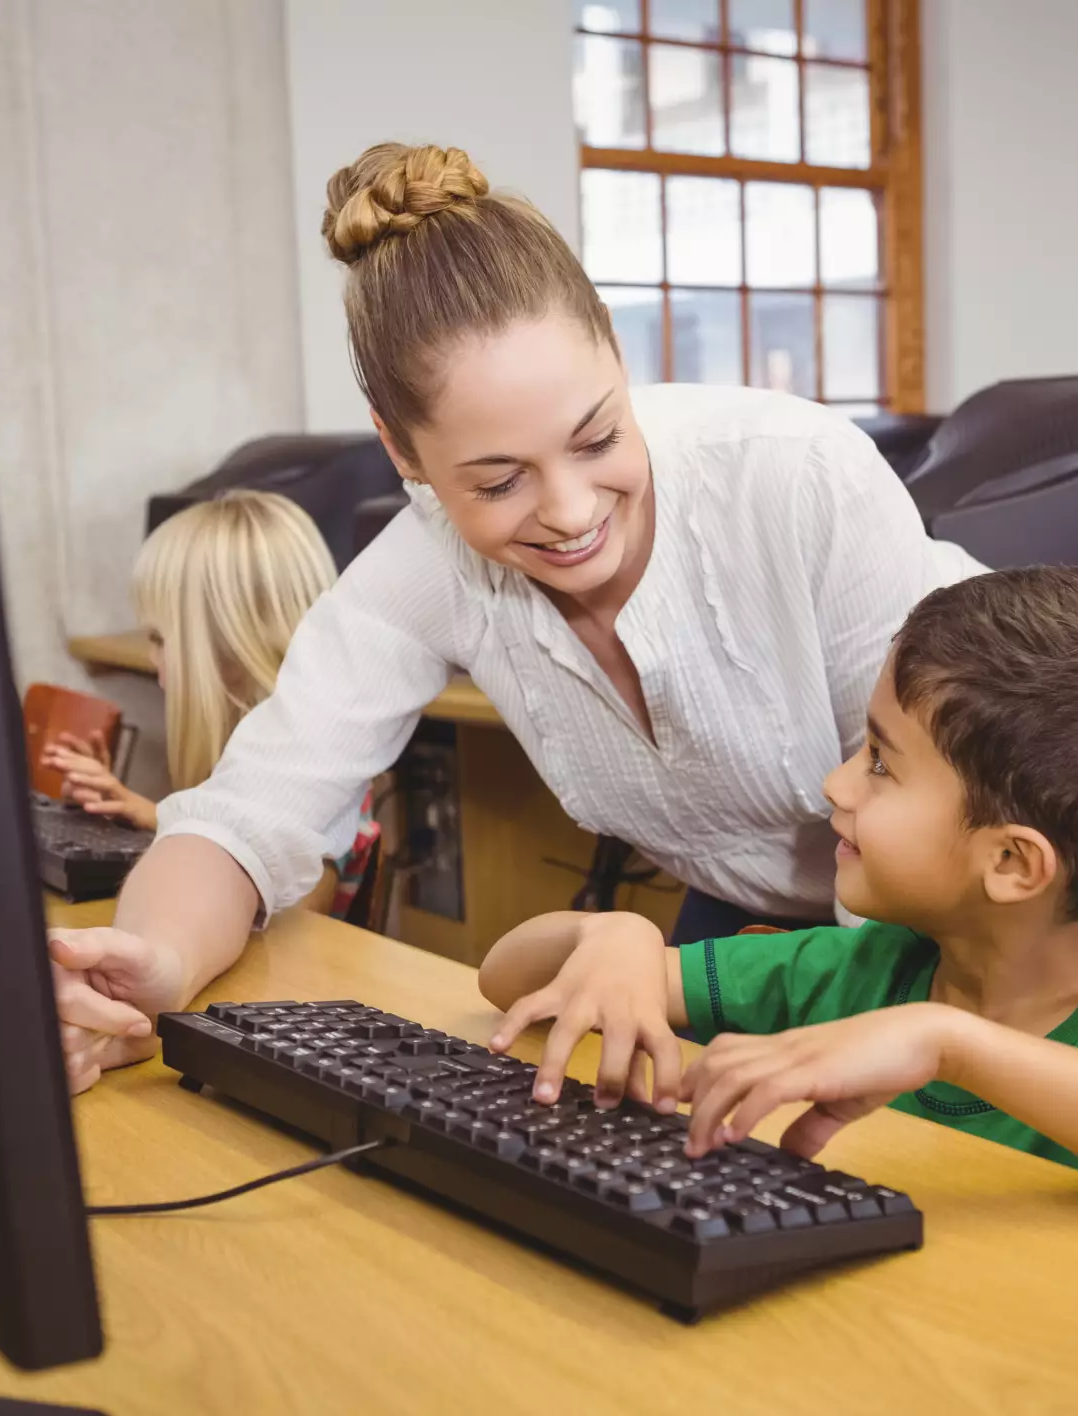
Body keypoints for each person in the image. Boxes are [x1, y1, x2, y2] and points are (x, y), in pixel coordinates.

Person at [49, 141, 980, 1094]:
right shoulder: (420, 571)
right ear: (398, 447)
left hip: (971, 894)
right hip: (756, 912)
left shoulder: (794, 475)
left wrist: (864, 1037)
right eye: (498, 480)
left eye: (597, 438)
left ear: (615, 352)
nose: (572, 512)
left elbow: (936, 800)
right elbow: (251, 814)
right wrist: (153, 962)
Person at [477, 567, 1078, 1227]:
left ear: (1013, 864)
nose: (837, 783)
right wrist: (612, 939)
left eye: (880, 764)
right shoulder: (843, 971)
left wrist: (949, 1042)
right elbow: (505, 980)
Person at [41, 491, 378, 919]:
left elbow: (291, 928)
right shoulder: (262, 745)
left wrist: (163, 823)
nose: (151, 656)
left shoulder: (310, 779)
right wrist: (139, 813)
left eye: (160, 638)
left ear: (228, 644)